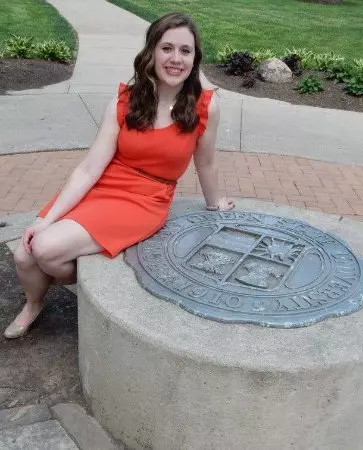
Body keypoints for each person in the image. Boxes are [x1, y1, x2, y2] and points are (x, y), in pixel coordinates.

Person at [4, 12, 234, 339]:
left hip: (145, 200)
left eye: (186, 51)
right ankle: (34, 303)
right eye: (167, 48)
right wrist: (47, 217)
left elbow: (207, 163)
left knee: (45, 249)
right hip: (106, 183)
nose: (176, 58)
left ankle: (65, 279)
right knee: (25, 254)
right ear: (151, 52)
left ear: (195, 58)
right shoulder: (125, 99)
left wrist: (217, 204)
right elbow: (89, 168)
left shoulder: (203, 106)